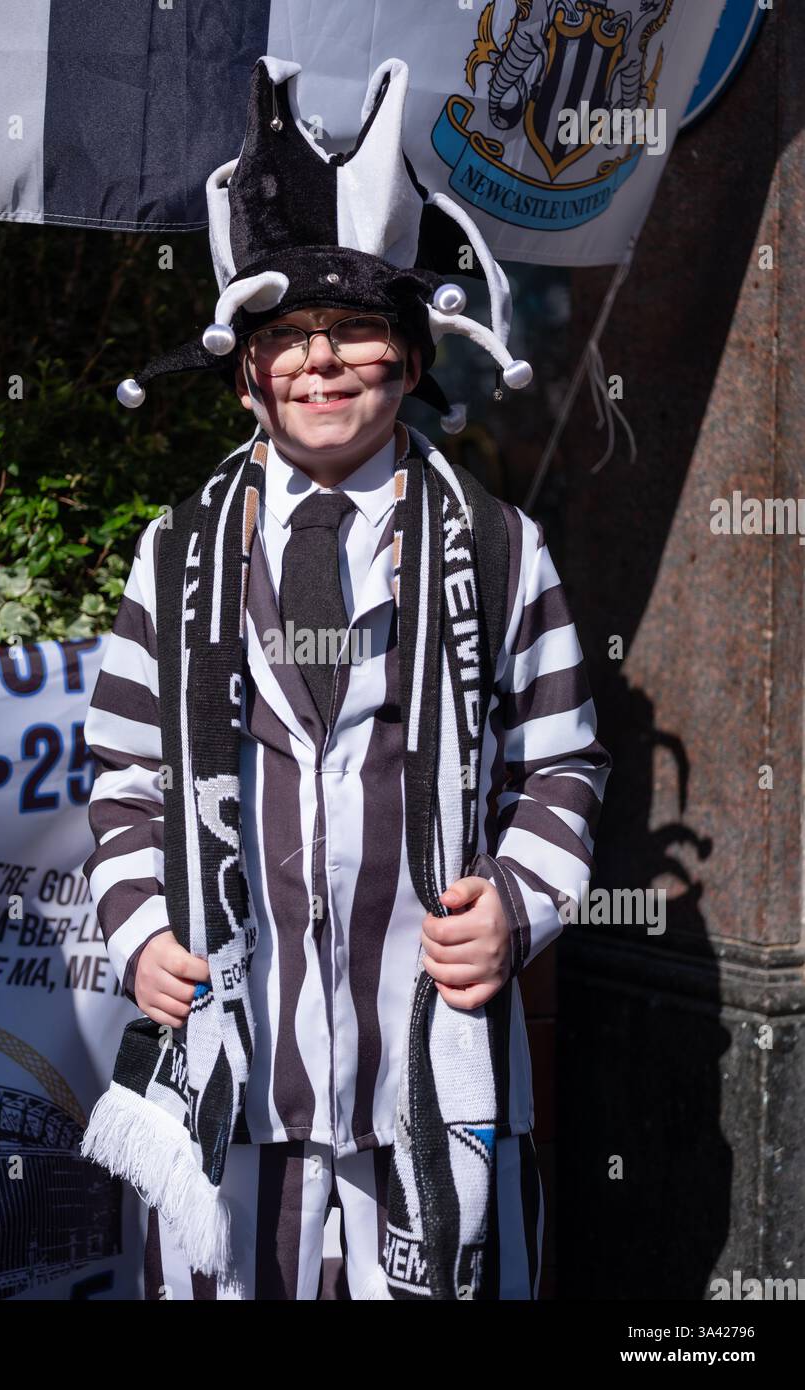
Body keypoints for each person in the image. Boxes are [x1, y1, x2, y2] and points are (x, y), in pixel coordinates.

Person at [79, 53, 612, 1301]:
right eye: (287, 338)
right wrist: (144, 928)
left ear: (413, 361)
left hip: (426, 1059)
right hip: (233, 1056)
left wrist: (520, 905)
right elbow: (123, 770)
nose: (320, 363)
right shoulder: (178, 550)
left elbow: (561, 761)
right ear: (244, 369)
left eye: (357, 333)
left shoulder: (495, 545)